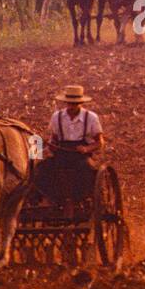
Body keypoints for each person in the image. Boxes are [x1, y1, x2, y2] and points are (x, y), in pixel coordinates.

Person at [35, 85, 104, 213]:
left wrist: (86, 148)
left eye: (75, 104)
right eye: (69, 103)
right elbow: (54, 138)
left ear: (80, 103)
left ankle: (81, 198)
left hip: (80, 156)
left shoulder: (91, 118)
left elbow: (99, 142)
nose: (71, 106)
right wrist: (50, 146)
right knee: (41, 169)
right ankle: (52, 199)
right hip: (61, 154)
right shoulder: (57, 116)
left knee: (87, 169)